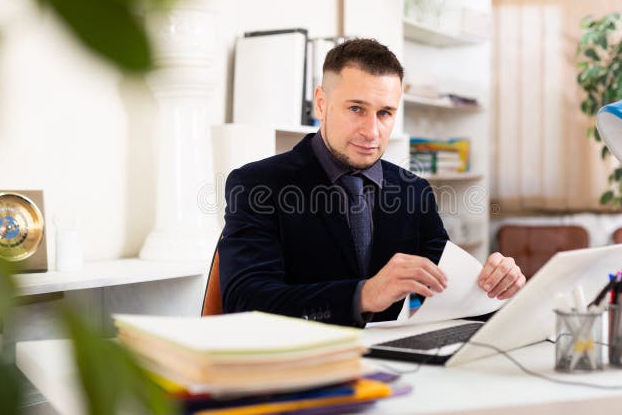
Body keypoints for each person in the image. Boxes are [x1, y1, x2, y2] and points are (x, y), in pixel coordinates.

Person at [219, 38, 525, 327]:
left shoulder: (412, 190)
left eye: (385, 113)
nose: (372, 131)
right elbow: (245, 302)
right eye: (356, 109)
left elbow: (446, 280)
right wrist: (364, 295)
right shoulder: (257, 184)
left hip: (394, 364)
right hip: (299, 364)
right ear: (322, 104)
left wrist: (489, 283)